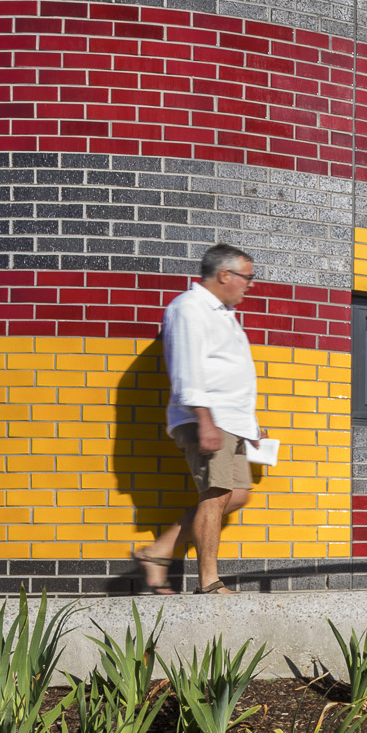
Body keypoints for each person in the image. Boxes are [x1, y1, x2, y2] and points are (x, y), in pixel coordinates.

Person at [136, 243, 266, 595]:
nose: (251, 284)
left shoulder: (223, 314)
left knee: (237, 495)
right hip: (209, 418)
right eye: (247, 277)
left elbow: (229, 374)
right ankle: (209, 582)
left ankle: (158, 550)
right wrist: (205, 420)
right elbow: (186, 369)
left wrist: (251, 426)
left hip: (231, 421)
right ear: (224, 275)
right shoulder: (190, 308)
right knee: (215, 494)